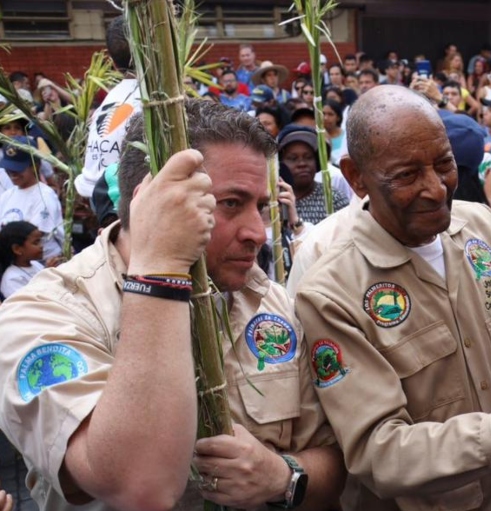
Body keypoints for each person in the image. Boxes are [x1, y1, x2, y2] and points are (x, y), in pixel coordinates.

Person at [0, 100, 345, 510]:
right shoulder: (42, 316)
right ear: (153, 198)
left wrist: (284, 477)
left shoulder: (269, 300)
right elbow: (140, 487)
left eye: (262, 206)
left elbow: (335, 461)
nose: (257, 231)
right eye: (230, 203)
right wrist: (161, 267)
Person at [293, 85, 491, 510]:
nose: (437, 188)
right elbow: (379, 454)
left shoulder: (479, 227)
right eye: (407, 175)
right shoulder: (330, 293)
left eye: (443, 164)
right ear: (356, 178)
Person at [78, 14, 142, 228]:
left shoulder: (111, 99)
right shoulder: (154, 102)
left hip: (100, 203)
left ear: (112, 62)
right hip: (128, 210)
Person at [0, 136, 64, 262]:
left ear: (36, 166)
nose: (13, 173)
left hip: (43, 264)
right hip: (16, 264)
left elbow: (34, 236)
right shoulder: (7, 196)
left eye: (18, 168)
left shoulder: (44, 195)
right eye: (9, 168)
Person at [278, 125, 349, 226]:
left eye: (308, 157)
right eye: (293, 158)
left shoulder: (334, 199)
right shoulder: (272, 202)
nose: (302, 163)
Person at [0, 221, 45, 300]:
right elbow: (28, 303)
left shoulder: (36, 264)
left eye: (40, 241)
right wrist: (48, 274)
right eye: (36, 243)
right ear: (17, 249)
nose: (41, 246)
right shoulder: (12, 278)